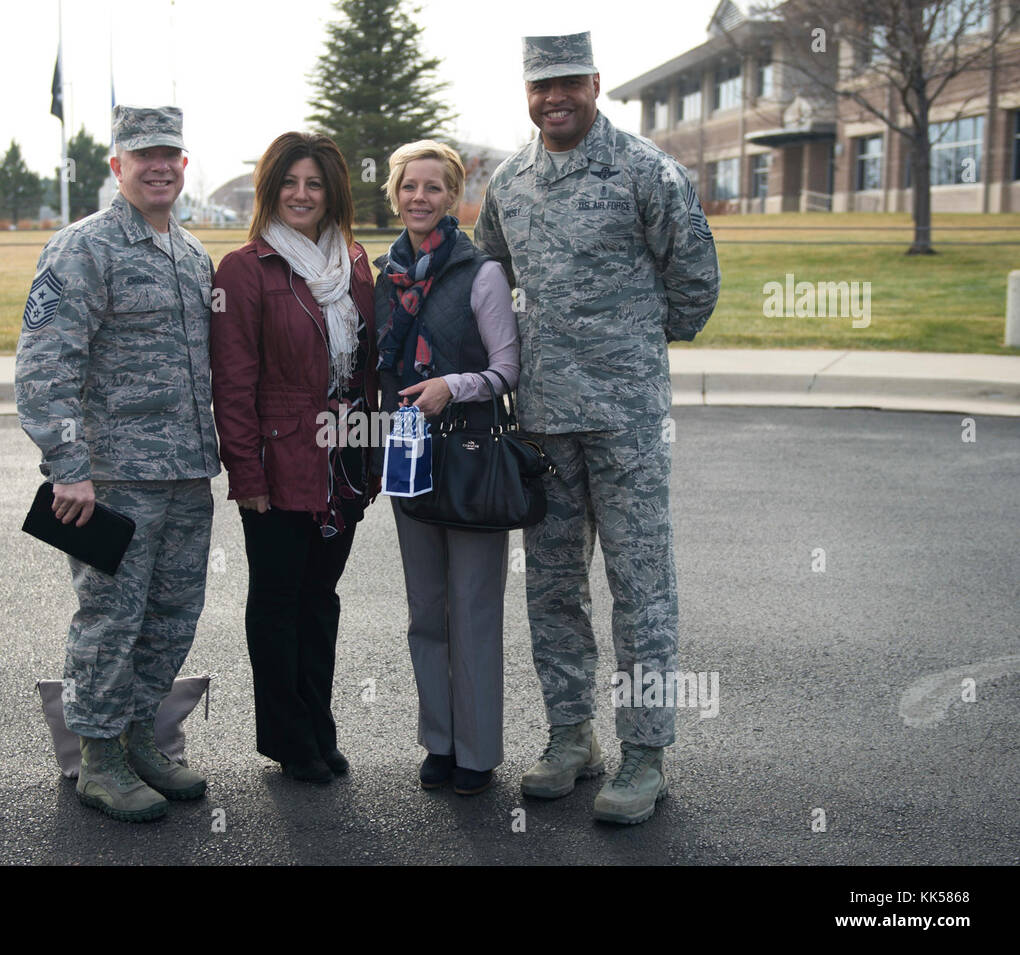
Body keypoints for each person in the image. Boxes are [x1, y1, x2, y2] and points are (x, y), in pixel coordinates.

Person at [474, 31, 720, 824]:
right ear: (527, 93)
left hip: (625, 423)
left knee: (641, 587)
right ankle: (570, 734)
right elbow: (488, 278)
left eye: (568, 84)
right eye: (542, 87)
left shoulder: (645, 171)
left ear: (594, 83)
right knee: (551, 587)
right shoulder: (509, 184)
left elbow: (695, 281)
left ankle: (644, 753)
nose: (556, 99)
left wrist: (637, 350)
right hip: (543, 424)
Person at [15, 105, 219, 823]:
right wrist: (66, 465)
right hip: (111, 481)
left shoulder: (191, 254)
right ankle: (98, 758)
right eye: (143, 156)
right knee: (108, 618)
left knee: (172, 616)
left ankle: (141, 740)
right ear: (117, 168)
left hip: (189, 476)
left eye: (170, 154)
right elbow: (45, 363)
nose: (158, 166)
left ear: (184, 164)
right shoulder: (83, 248)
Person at [210, 132, 378, 784]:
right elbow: (234, 381)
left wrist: (372, 456)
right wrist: (246, 472)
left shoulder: (355, 263)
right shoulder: (245, 269)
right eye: (290, 183)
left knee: (321, 598)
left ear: (331, 192)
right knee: (278, 602)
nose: (302, 194)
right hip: (279, 464)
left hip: (344, 461)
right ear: (270, 190)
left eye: (314, 183)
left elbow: (368, 369)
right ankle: (288, 737)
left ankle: (319, 725)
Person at [375, 141, 519, 796]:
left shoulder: (480, 272)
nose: (420, 198)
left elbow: (506, 370)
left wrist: (451, 386)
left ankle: (477, 750)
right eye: (410, 187)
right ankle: (439, 739)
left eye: (435, 187)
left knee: (473, 607)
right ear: (396, 193)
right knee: (426, 610)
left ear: (456, 196)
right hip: (408, 456)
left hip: (470, 456)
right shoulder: (386, 274)